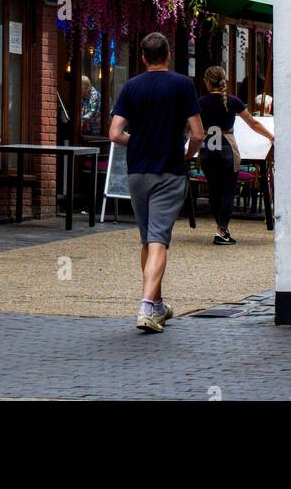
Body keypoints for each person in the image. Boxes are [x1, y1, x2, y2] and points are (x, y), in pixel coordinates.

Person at [109, 31, 204, 334]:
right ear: (167, 55)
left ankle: (158, 303)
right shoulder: (182, 85)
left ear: (143, 57)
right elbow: (198, 133)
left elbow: (115, 133)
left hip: (138, 173)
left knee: (147, 240)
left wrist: (136, 143)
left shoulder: (131, 87)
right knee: (159, 240)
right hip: (169, 171)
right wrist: (187, 154)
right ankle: (147, 307)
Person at [198, 65, 274, 246]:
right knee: (228, 191)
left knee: (214, 190)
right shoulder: (232, 101)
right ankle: (222, 230)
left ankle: (220, 227)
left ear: (207, 82)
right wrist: (271, 136)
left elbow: (191, 127)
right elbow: (253, 123)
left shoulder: (200, 102)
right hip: (227, 149)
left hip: (208, 148)